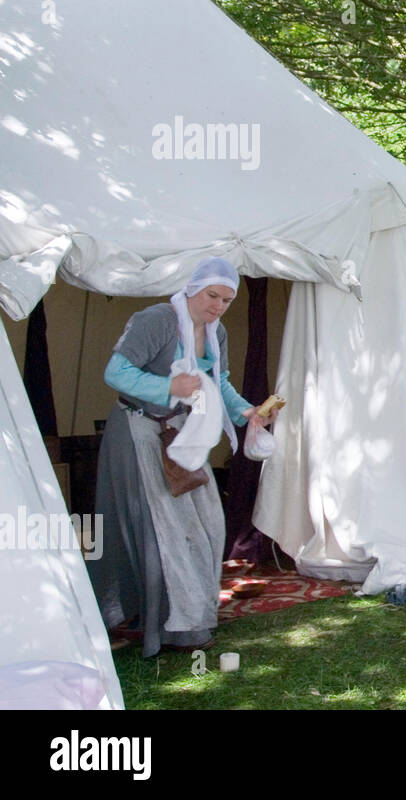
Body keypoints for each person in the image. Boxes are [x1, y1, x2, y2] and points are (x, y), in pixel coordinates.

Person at [89, 258, 279, 657]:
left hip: (180, 433)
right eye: (213, 296)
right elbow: (114, 372)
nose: (218, 306)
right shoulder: (156, 319)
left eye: (227, 300)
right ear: (193, 288)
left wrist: (247, 412)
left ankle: (192, 614)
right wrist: (167, 385)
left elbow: (218, 381)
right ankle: (165, 623)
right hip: (137, 427)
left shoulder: (216, 332)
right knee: (160, 526)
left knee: (207, 520)